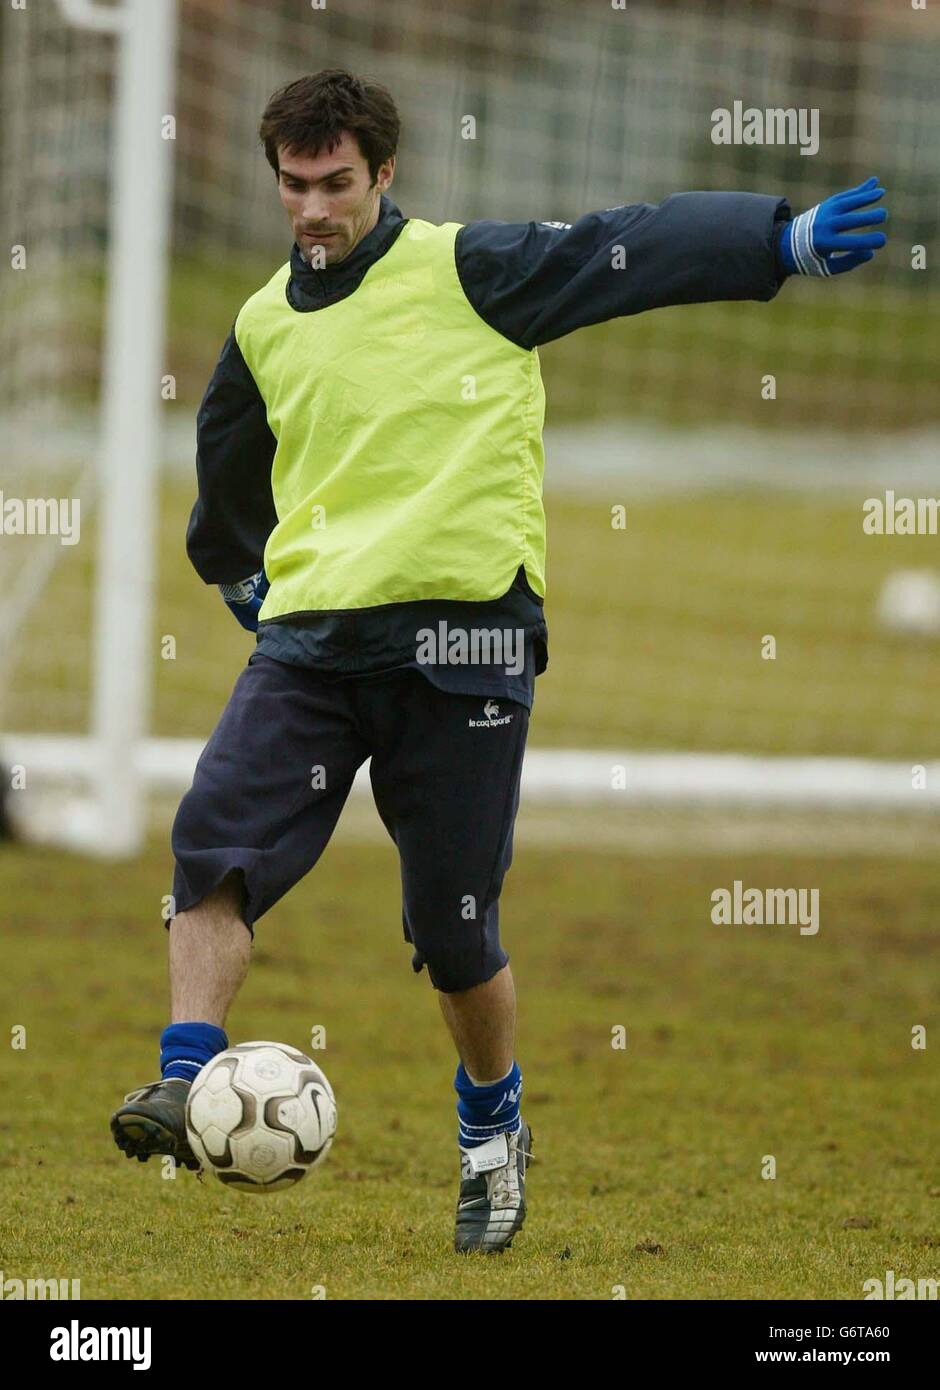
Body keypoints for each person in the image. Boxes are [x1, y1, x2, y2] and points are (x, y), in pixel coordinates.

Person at [110, 68, 887, 1254]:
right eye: (293, 185)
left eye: (334, 184)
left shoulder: (471, 272)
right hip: (312, 646)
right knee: (210, 841)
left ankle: (489, 1130)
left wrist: (772, 239)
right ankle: (181, 1074)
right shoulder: (264, 320)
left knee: (455, 925)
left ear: (382, 175)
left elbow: (622, 247)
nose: (313, 209)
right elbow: (228, 461)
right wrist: (234, 569)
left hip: (465, 647)